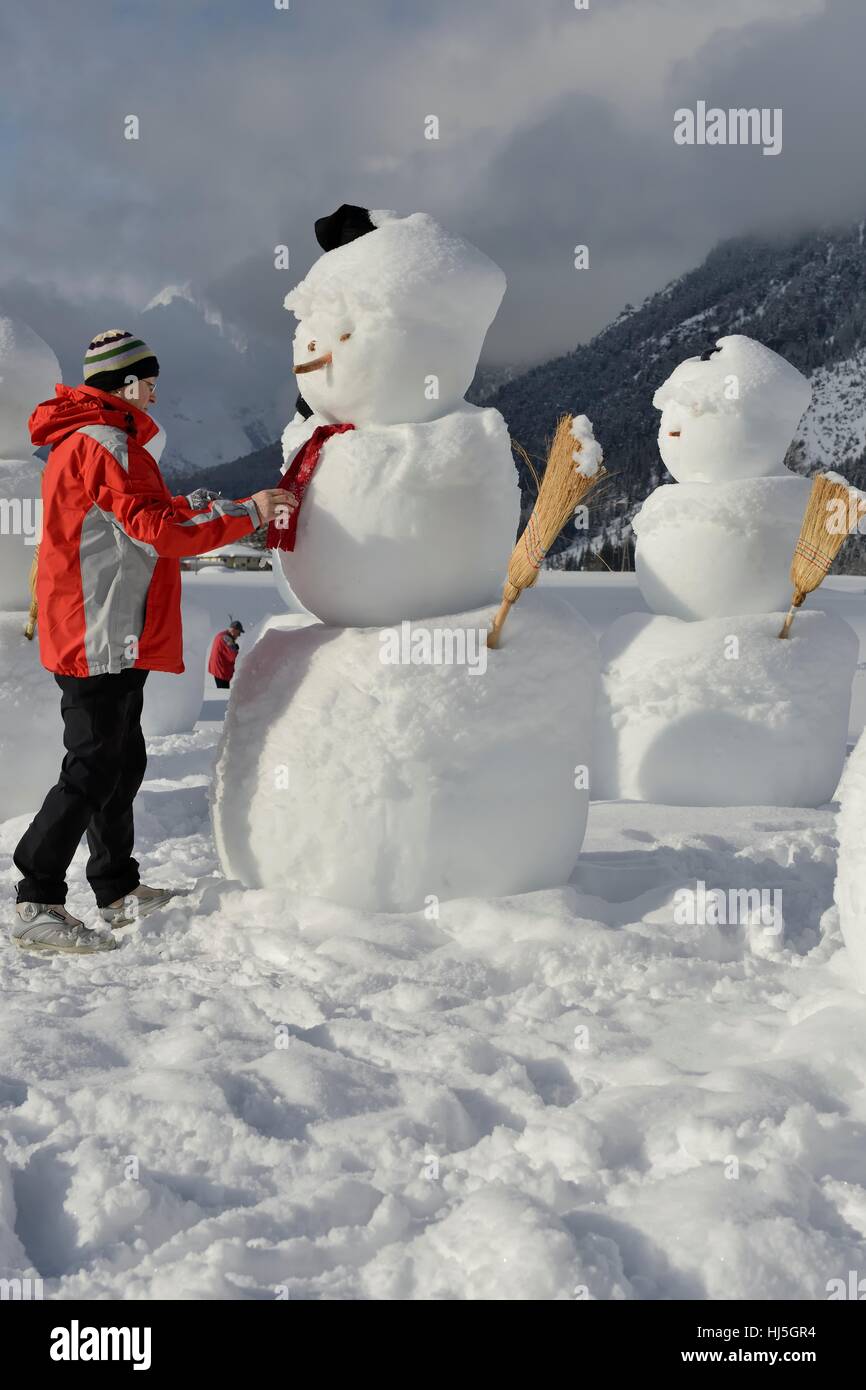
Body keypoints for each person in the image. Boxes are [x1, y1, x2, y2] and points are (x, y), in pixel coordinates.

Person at [11, 329, 293, 955]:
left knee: (121, 760)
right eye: (149, 377)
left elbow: (132, 519)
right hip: (96, 627)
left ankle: (115, 890)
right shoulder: (107, 441)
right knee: (91, 765)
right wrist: (248, 511)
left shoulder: (97, 438)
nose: (157, 389)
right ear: (125, 383)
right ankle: (36, 898)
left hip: (107, 623)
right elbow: (158, 532)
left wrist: (190, 505)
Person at [208, 619, 244, 689]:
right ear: (234, 630)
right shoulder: (226, 638)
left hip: (219, 669)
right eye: (239, 633)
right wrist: (236, 650)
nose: (239, 636)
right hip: (221, 671)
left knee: (222, 690)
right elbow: (233, 655)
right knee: (223, 691)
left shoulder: (223, 635)